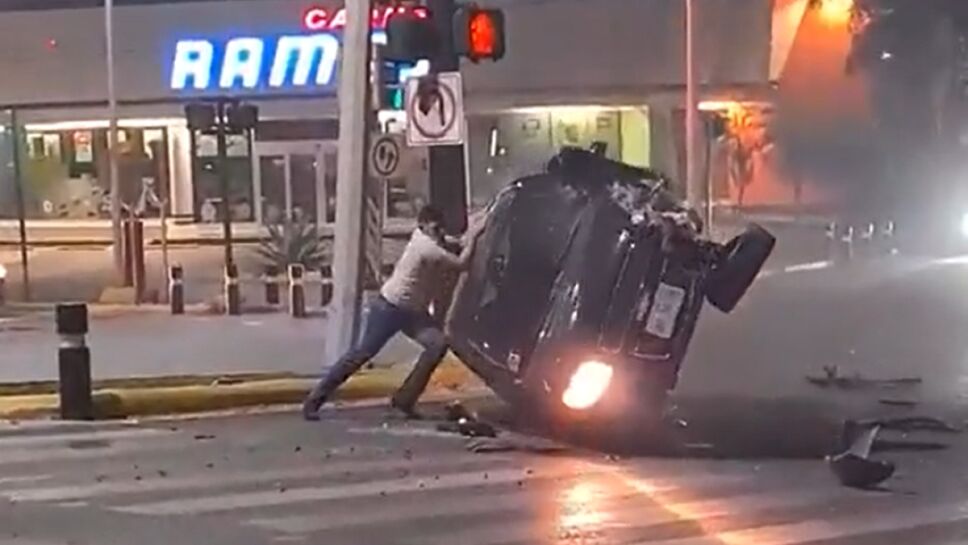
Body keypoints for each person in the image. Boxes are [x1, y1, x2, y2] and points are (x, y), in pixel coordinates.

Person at [302, 205, 487, 421]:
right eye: (435, 228)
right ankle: (314, 400)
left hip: (413, 313)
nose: (440, 233)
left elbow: (454, 243)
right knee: (361, 355)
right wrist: (474, 235)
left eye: (441, 229)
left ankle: (404, 400)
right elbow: (461, 263)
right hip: (389, 308)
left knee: (437, 345)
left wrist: (476, 224)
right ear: (423, 226)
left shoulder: (431, 241)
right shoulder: (424, 247)